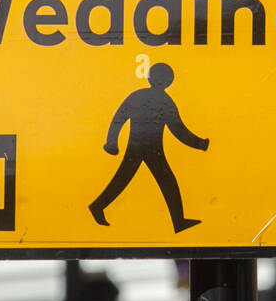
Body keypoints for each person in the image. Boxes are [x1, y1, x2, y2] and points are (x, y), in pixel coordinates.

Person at [89, 63, 209, 233]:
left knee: (138, 180)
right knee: (159, 181)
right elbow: (179, 130)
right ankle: (178, 221)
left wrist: (112, 142)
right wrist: (200, 144)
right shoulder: (164, 101)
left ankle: (178, 221)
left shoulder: (139, 96)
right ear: (169, 81)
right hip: (147, 149)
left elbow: (119, 119)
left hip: (145, 149)